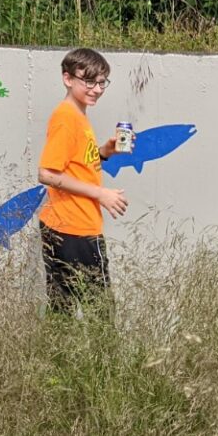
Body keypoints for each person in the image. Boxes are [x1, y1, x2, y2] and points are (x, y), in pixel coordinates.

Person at [36, 48, 129, 315]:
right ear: (68, 78)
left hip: (68, 225)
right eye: (89, 81)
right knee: (100, 313)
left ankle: (58, 358)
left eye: (102, 82)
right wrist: (100, 194)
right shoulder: (66, 118)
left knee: (62, 309)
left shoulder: (78, 115)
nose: (97, 89)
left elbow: (75, 166)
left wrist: (104, 152)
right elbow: (48, 174)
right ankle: (100, 358)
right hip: (74, 228)